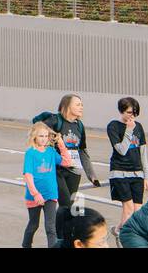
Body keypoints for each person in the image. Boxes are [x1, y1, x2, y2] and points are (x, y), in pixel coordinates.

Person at [33, 94, 100, 241]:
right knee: (65, 204)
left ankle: (63, 236)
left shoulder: (79, 126)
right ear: (67, 106)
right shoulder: (56, 120)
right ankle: (59, 238)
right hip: (56, 169)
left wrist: (92, 175)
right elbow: (36, 126)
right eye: (78, 104)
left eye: (82, 104)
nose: (81, 107)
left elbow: (82, 150)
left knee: (69, 205)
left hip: (74, 171)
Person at [108, 97, 148, 237]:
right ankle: (128, 239)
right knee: (128, 208)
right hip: (120, 171)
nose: (132, 116)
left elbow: (143, 152)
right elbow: (121, 150)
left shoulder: (139, 126)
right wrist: (128, 130)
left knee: (137, 210)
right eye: (129, 112)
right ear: (121, 111)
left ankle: (119, 229)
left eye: (135, 113)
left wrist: (146, 176)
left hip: (137, 172)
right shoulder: (113, 126)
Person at [22, 121, 62, 248]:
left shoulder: (50, 151)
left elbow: (66, 161)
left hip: (50, 194)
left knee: (50, 227)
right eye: (41, 136)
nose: (44, 139)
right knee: (34, 224)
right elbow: (27, 175)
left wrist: (60, 143)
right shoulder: (30, 153)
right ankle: (26, 245)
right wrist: (35, 193)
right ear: (34, 137)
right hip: (35, 196)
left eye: (46, 136)